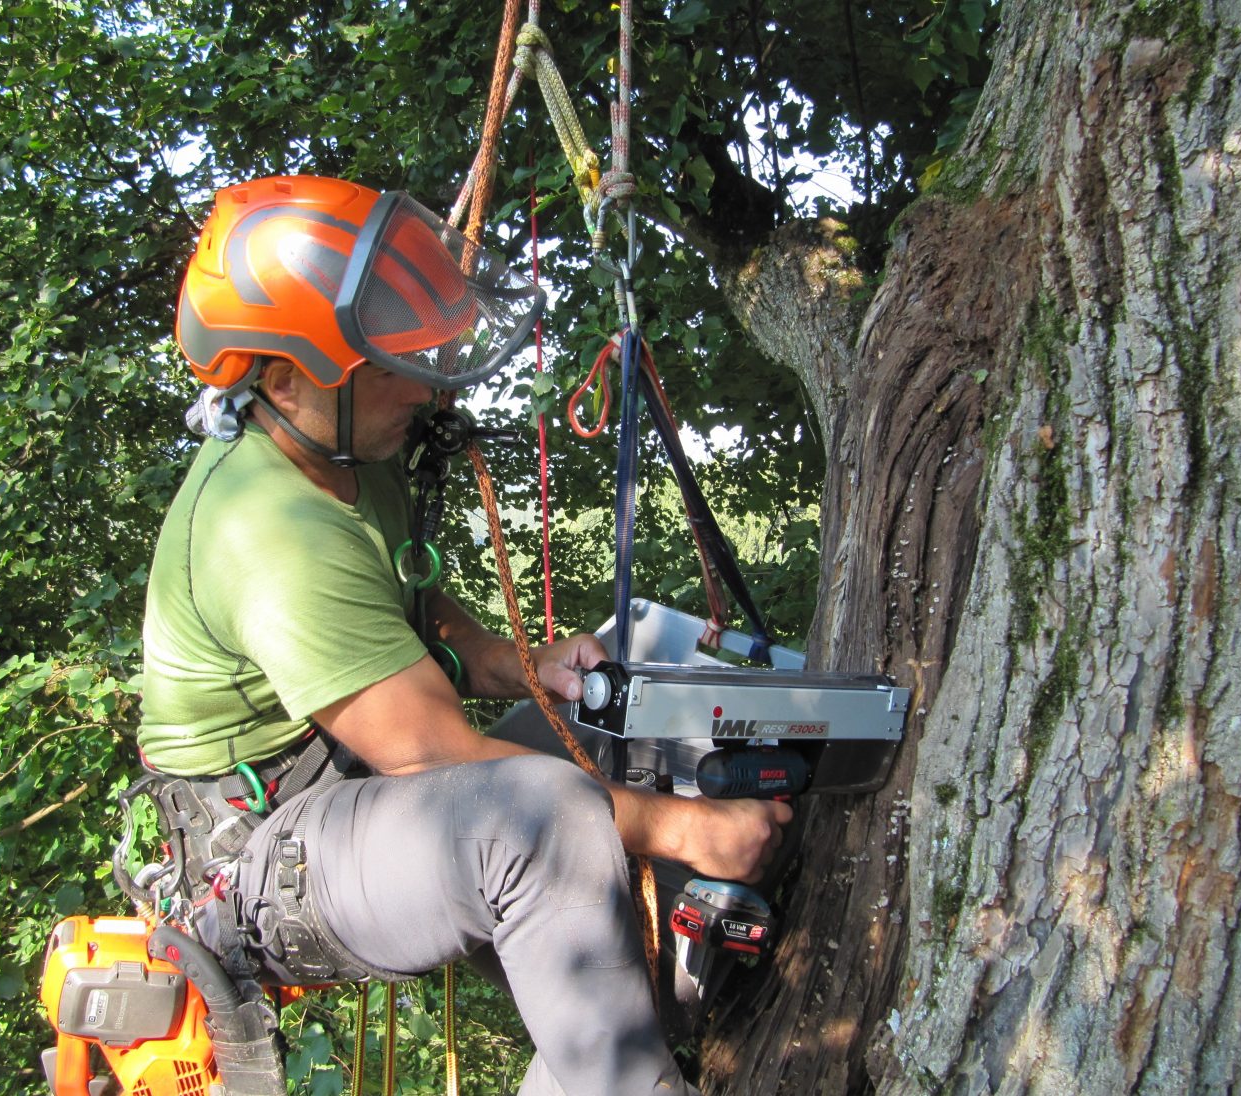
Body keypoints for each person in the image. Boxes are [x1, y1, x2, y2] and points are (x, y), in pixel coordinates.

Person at [136, 175, 791, 1096]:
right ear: (284, 379)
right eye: (389, 367)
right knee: (538, 821)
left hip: (353, 791)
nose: (421, 386)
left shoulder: (343, 446)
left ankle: (649, 1008)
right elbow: (437, 757)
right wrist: (688, 831)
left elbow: (403, 602)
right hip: (260, 861)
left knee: (625, 705)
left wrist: (519, 666)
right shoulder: (266, 531)